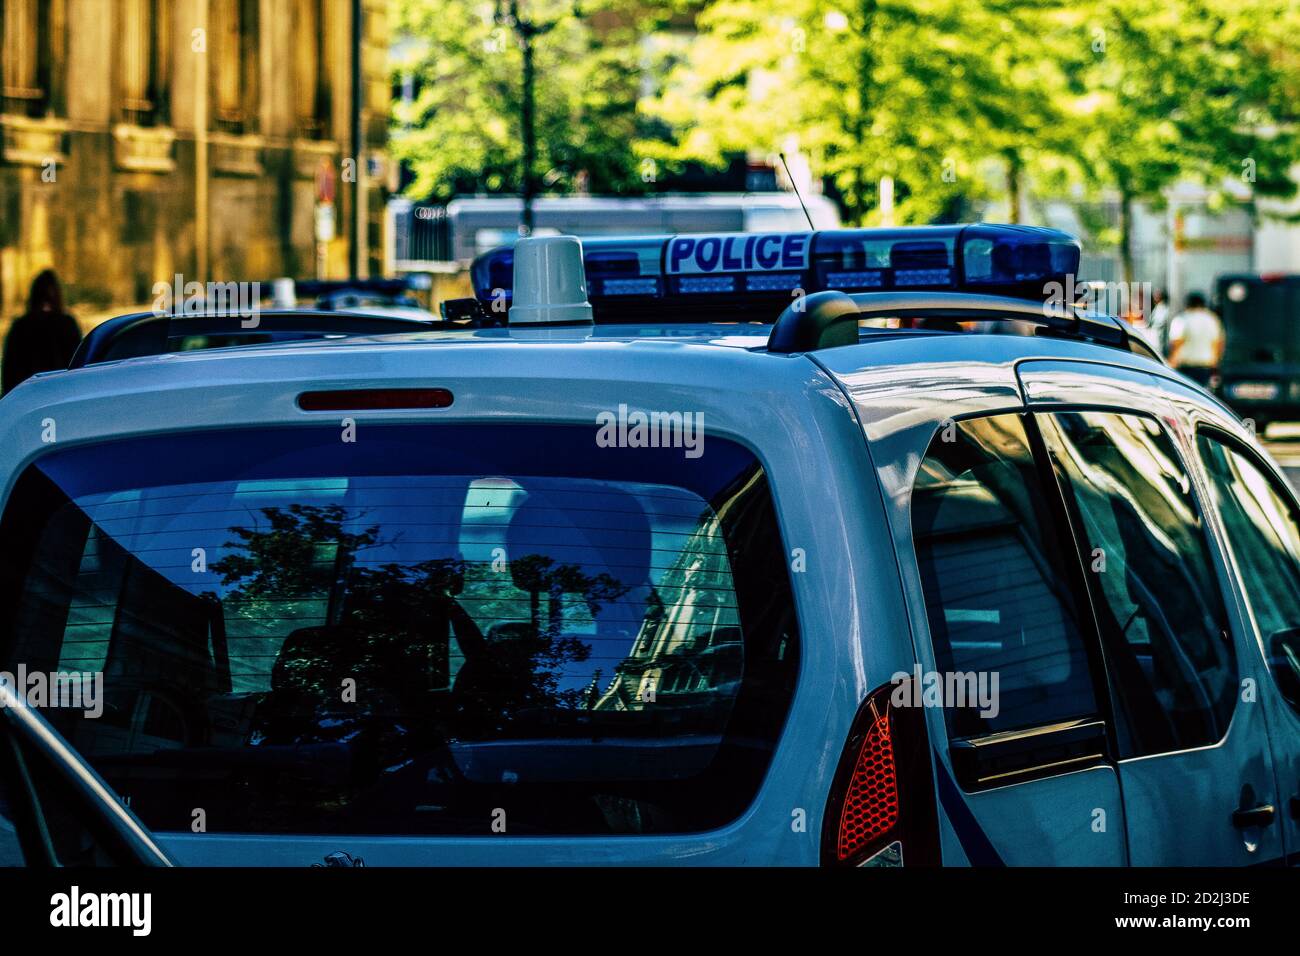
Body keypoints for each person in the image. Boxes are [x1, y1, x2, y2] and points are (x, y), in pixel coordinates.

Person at [1, 270, 82, 397]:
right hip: (61, 394)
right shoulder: (66, 324)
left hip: (27, 396)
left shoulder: (21, 326)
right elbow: (78, 365)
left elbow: (9, 373)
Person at [1166, 291, 1224, 387]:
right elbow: (1218, 343)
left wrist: (1170, 365)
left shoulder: (1182, 319)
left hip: (1185, 367)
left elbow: (1177, 343)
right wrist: (1215, 364)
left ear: (1188, 304)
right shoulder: (1212, 320)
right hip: (1205, 367)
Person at [1145, 287, 1171, 354]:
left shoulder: (1163, 308)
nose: (1155, 297)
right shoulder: (1157, 307)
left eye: (1157, 295)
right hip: (1155, 338)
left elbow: (1158, 323)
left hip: (1159, 339)